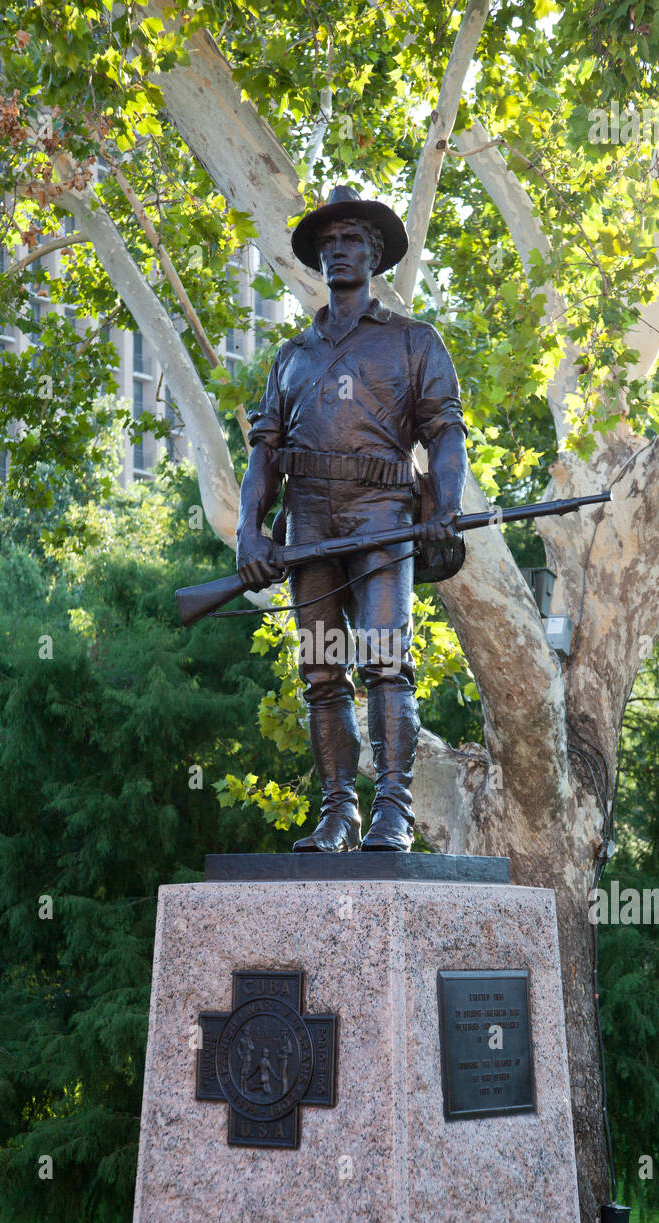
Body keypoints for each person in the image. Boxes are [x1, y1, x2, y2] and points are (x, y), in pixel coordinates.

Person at [236, 186, 468, 853]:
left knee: (386, 663)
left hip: (382, 515)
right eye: (328, 242)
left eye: (352, 241)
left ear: (374, 256)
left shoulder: (413, 342)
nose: (338, 251)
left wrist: (445, 510)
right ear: (317, 257)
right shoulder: (291, 355)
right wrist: (249, 533)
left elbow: (444, 433)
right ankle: (336, 813)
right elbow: (265, 455)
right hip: (307, 522)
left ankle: (391, 811)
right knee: (319, 674)